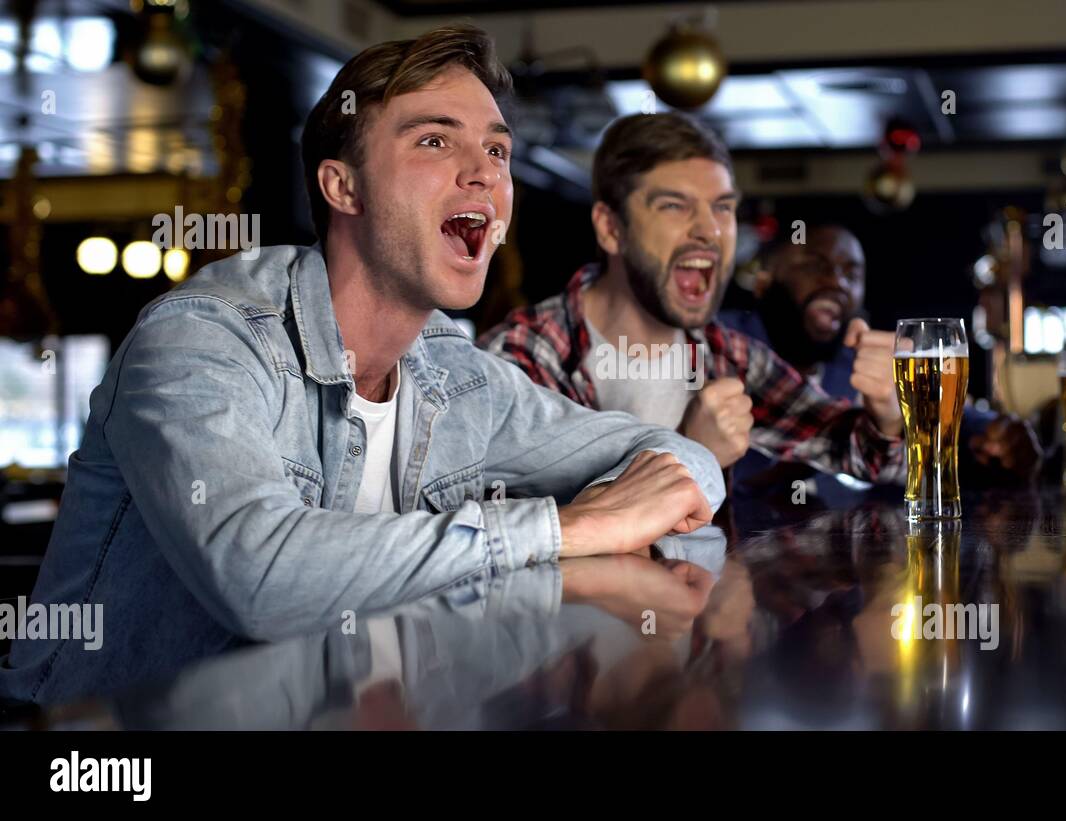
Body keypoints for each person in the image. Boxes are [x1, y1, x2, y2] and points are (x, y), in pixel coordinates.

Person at [0, 25, 723, 706]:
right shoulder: (203, 341)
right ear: (343, 188)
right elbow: (262, 577)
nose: (483, 174)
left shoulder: (454, 370)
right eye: (436, 140)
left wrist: (623, 507)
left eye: (498, 151)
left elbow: (686, 463)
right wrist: (566, 528)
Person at [478, 113, 906, 494]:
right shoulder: (518, 358)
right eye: (674, 206)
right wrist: (691, 455)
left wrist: (886, 410)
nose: (710, 231)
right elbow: (499, 535)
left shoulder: (727, 356)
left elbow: (863, 456)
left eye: (722, 208)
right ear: (610, 228)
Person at [719, 225, 1041, 509]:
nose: (836, 281)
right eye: (816, 265)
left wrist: (995, 431)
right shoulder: (726, 347)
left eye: (852, 273)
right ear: (763, 283)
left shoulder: (857, 362)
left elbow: (943, 410)